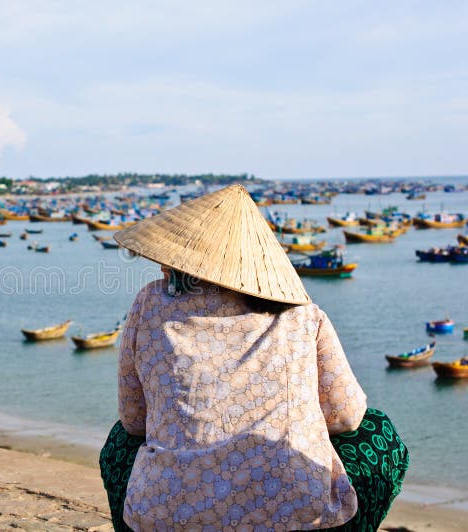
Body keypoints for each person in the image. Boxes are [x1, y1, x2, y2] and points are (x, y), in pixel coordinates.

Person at [100, 185, 409, 531]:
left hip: (165, 518)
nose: (161, 268)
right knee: (378, 431)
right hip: (303, 518)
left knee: (119, 444)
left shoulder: (149, 304)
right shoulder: (303, 315)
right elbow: (346, 416)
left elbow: (133, 421)